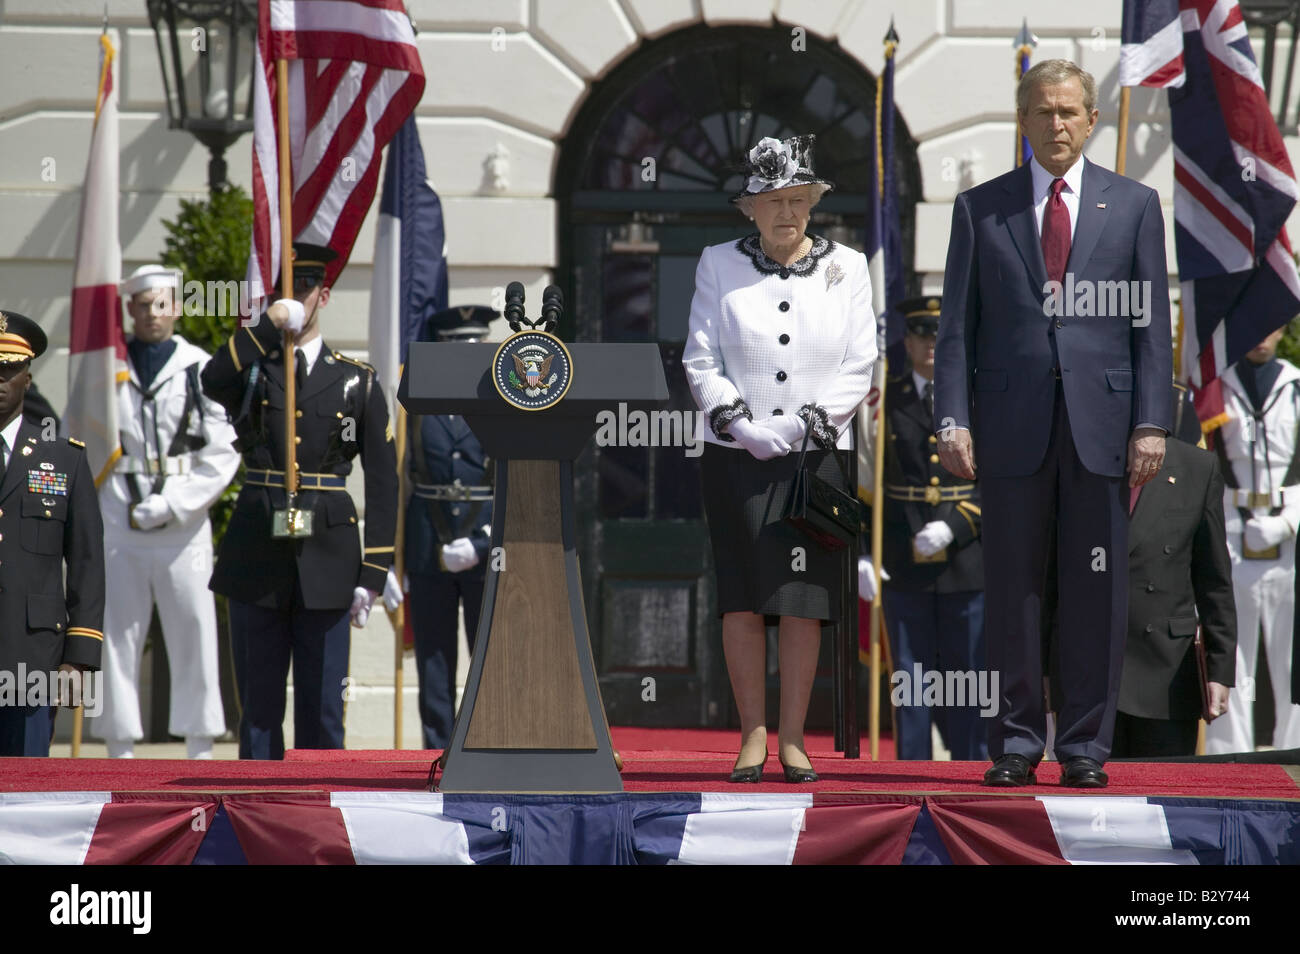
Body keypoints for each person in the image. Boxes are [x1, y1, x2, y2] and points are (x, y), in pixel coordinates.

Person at [933, 59, 1172, 788]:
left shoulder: (1133, 205)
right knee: (1012, 589)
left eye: (1070, 112)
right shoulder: (980, 208)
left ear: (1091, 121)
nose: (1058, 124)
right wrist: (952, 419)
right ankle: (1012, 742)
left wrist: (1151, 423)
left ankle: (1084, 747)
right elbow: (955, 331)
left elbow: (1150, 328)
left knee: (1095, 592)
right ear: (1024, 120)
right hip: (1009, 428)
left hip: (1103, 428)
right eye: (1044, 112)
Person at [683, 134, 876, 783]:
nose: (786, 212)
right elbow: (700, 357)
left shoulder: (848, 265)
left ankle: (793, 737)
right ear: (749, 209)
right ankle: (752, 735)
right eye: (772, 201)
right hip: (736, 456)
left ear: (814, 202)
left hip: (816, 458)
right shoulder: (717, 263)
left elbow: (861, 360)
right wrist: (740, 423)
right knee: (741, 599)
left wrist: (800, 427)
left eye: (797, 199)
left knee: (802, 600)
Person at [201, 244, 398, 759]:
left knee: (323, 710)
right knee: (259, 713)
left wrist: (374, 571)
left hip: (330, 557)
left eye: (305, 291)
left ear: (324, 296)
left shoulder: (358, 379)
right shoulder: (251, 368)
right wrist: (267, 328)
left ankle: (317, 819)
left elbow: (383, 481)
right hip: (258, 551)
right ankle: (256, 818)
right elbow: (210, 378)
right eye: (285, 292)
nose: (295, 301)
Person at [91, 265, 239, 759]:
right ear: (129, 309)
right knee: (117, 631)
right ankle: (118, 743)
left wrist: (175, 503)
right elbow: (87, 436)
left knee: (195, 628)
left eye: (162, 303)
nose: (152, 313)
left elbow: (223, 451)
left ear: (176, 307)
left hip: (183, 526)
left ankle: (200, 743)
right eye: (142, 304)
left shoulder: (201, 367)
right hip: (120, 518)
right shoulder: (107, 367)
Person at [874, 297, 987, 760]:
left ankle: (970, 778)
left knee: (968, 679)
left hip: (968, 560)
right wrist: (867, 549)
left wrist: (955, 528)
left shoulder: (978, 399)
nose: (929, 346)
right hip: (904, 557)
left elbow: (1000, 479)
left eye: (938, 336)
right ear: (907, 340)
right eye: (921, 335)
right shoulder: (885, 399)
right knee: (911, 682)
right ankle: (909, 779)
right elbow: (871, 479)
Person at [0, 311, 105, 756]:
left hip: (33, 657)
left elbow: (86, 561)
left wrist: (78, 658)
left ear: (27, 377)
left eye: (9, 369)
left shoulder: (64, 460)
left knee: (25, 799)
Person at [1114, 390, 1236, 757]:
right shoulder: (1080, 461)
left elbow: (1213, 578)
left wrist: (1220, 669)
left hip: (1166, 675)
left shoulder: (1197, 468)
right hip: (1091, 677)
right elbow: (1053, 578)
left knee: (1166, 801)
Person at [400, 305, 495, 749]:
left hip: (488, 545)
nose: (466, 355)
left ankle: (485, 745)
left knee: (488, 657)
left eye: (474, 346)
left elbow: (518, 479)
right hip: (426, 543)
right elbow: (401, 479)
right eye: (456, 346)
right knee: (434, 660)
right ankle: (437, 750)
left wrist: (483, 541)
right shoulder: (416, 403)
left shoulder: (505, 401)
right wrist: (391, 559)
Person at [1205, 328, 1300, 753]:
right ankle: (1231, 757)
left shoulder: (1296, 386)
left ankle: (1294, 750)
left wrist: (1289, 523)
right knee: (1231, 654)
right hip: (1231, 530)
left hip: (1290, 539)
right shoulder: (1214, 389)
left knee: (1291, 656)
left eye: (1272, 324)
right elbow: (1200, 461)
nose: (1261, 334)